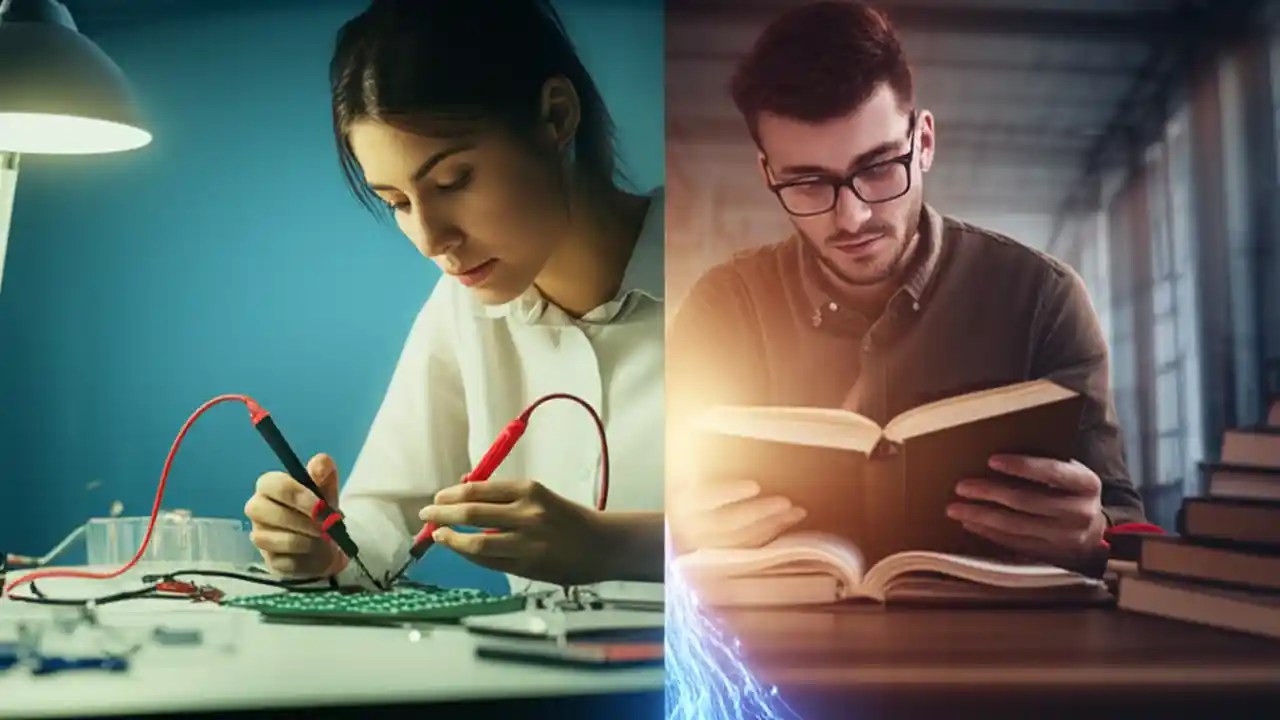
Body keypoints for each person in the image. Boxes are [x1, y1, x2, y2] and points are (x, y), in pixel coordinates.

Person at [667, 0, 1145, 574]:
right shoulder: (722, 309)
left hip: (995, 650)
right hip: (776, 653)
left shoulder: (1043, 299)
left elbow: (1126, 523)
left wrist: (1095, 534)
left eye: (876, 169)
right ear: (768, 172)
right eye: (808, 183)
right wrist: (679, 530)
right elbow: (663, 517)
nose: (852, 218)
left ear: (924, 142)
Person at [243, 0, 664, 596]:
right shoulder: (462, 307)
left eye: (453, 181)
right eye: (397, 202)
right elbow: (378, 532)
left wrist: (614, 546)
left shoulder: (742, 274)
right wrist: (318, 547)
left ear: (556, 115)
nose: (432, 239)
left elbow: (832, 539)